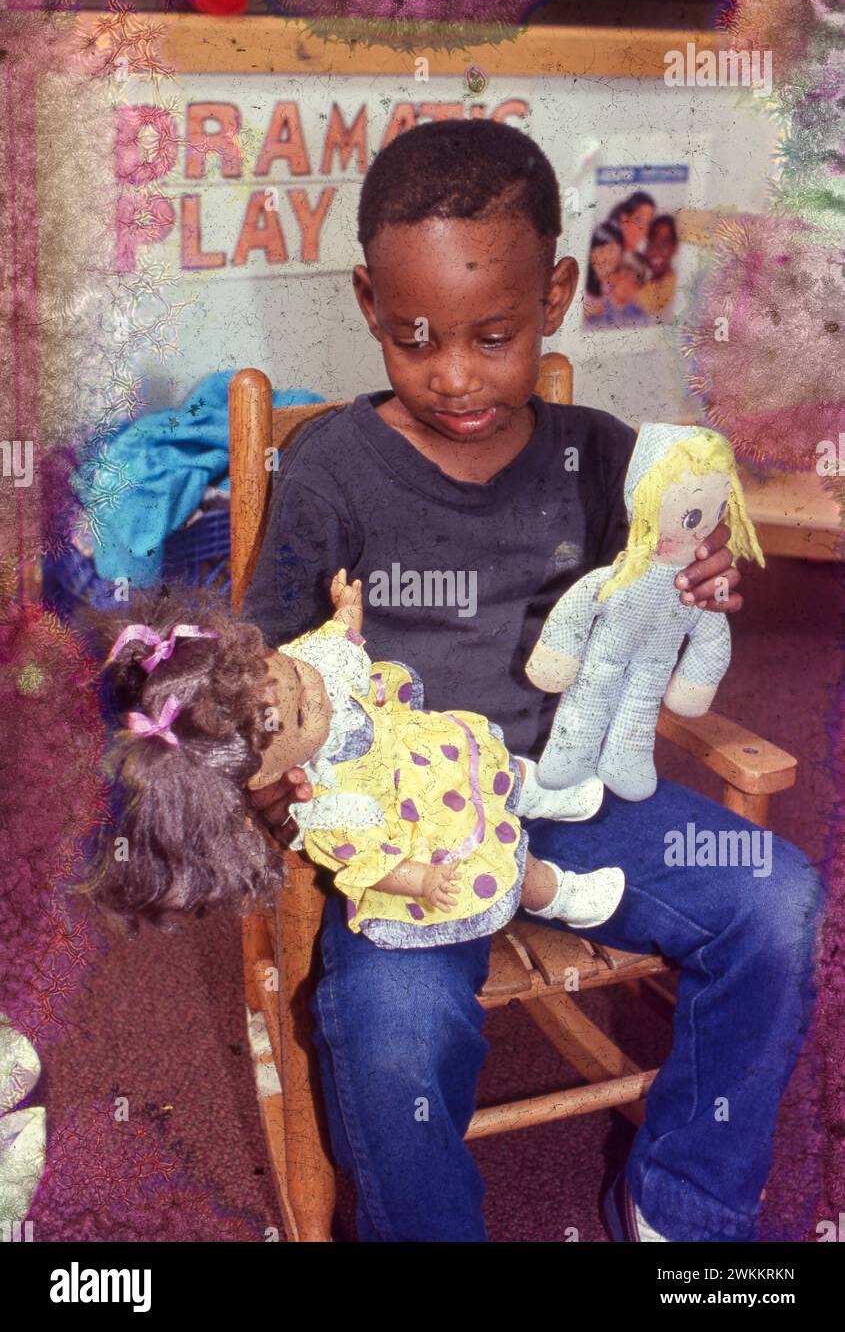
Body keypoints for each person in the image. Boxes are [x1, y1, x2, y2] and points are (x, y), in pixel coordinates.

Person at [242, 118, 824, 1243]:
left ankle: (682, 1204)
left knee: (775, 896)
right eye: (415, 339)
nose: (454, 374)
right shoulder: (328, 471)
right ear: (368, 303)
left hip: (575, 808)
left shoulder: (604, 454)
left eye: (493, 336)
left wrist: (698, 576)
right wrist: (273, 768)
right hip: (410, 840)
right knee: (388, 1025)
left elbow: (679, 575)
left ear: (555, 294)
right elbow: (257, 662)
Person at [81, 579, 624, 939]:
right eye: (298, 719)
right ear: (266, 773)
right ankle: (559, 893)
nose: (314, 692)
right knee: (501, 862)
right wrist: (422, 881)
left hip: (435, 753)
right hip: (427, 828)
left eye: (290, 672)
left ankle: (546, 793)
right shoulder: (328, 807)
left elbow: (332, 645)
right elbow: (371, 863)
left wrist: (347, 609)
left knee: (495, 762)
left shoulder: (292, 674)